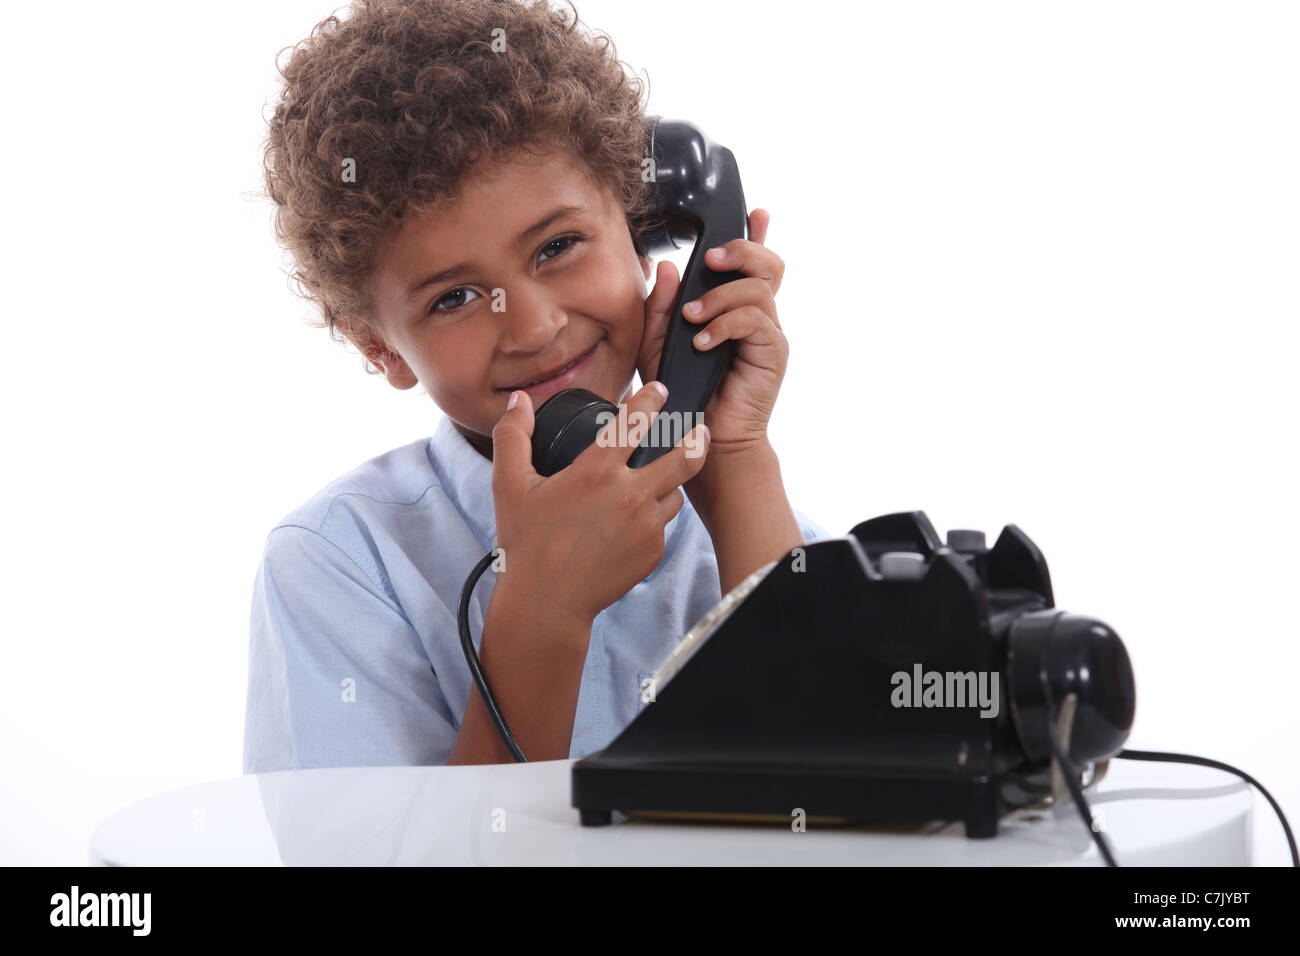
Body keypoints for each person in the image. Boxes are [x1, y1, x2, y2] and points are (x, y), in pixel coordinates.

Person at [243, 0, 827, 772]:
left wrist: (736, 462)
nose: (533, 327)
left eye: (557, 246)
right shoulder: (339, 564)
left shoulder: (766, 533)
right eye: (453, 298)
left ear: (641, 223)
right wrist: (542, 616)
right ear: (380, 346)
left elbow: (840, 801)